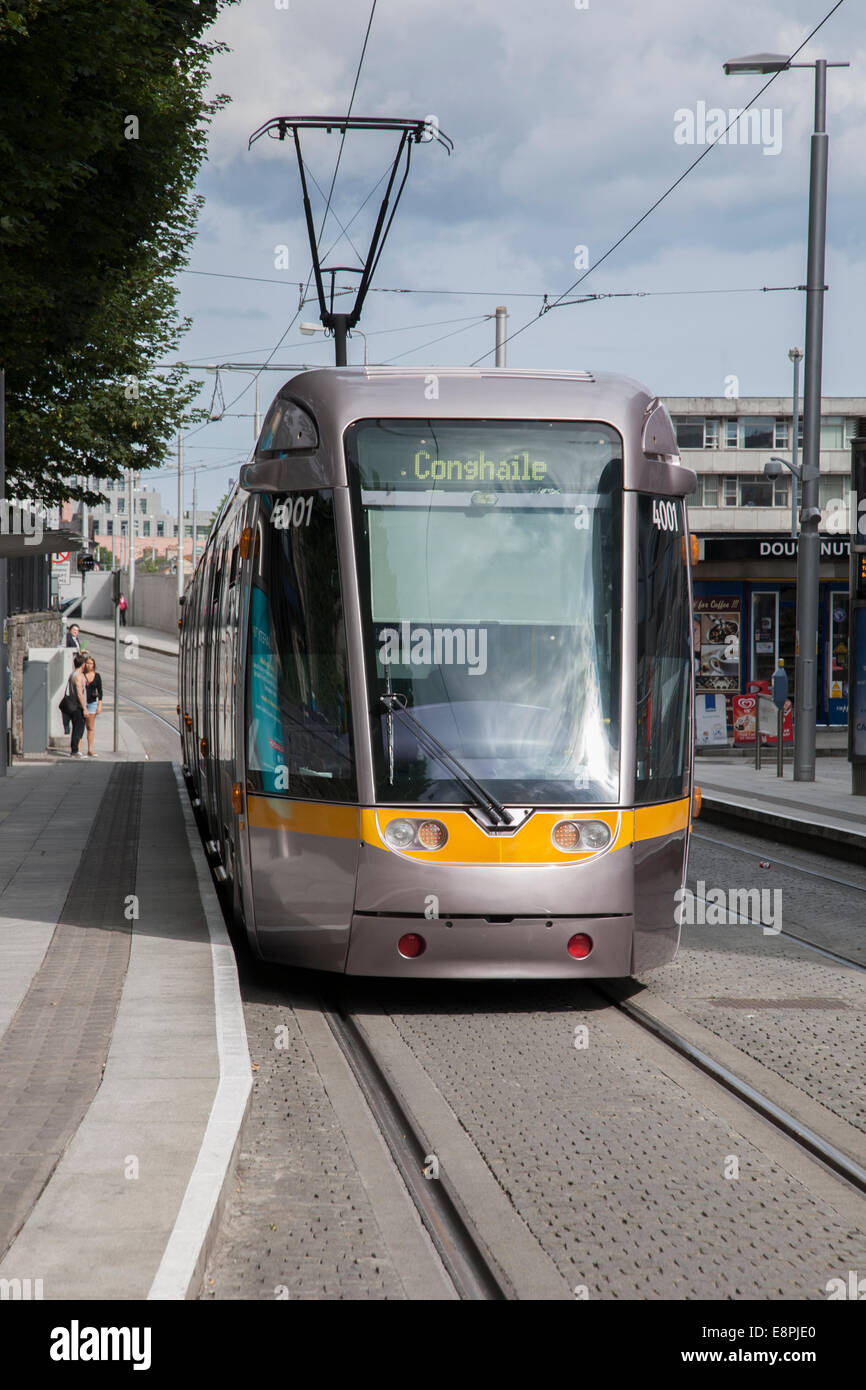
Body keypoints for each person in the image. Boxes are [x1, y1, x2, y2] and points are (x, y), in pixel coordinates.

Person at [82, 655, 103, 757]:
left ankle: (90, 750)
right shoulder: (81, 675)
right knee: (80, 727)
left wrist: (99, 705)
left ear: (94, 665)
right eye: (87, 663)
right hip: (82, 703)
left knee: (90, 727)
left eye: (91, 663)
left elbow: (100, 692)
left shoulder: (97, 676)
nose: (89, 665)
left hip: (92, 704)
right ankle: (78, 750)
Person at [68, 652, 88, 757]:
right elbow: (80, 694)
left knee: (77, 727)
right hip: (77, 706)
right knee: (78, 728)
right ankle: (75, 750)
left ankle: (75, 749)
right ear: (83, 664)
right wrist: (84, 708)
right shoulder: (78, 676)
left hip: (73, 705)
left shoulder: (73, 674)